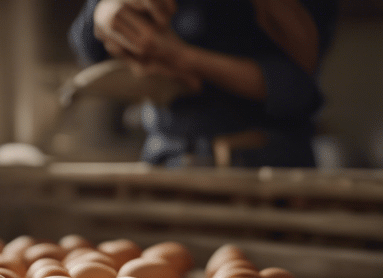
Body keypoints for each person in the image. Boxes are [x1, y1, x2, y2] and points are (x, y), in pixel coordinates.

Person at [68, 0, 339, 167]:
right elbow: (86, 47)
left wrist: (184, 59)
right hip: (166, 159)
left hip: (265, 167)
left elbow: (297, 88)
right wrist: (104, 11)